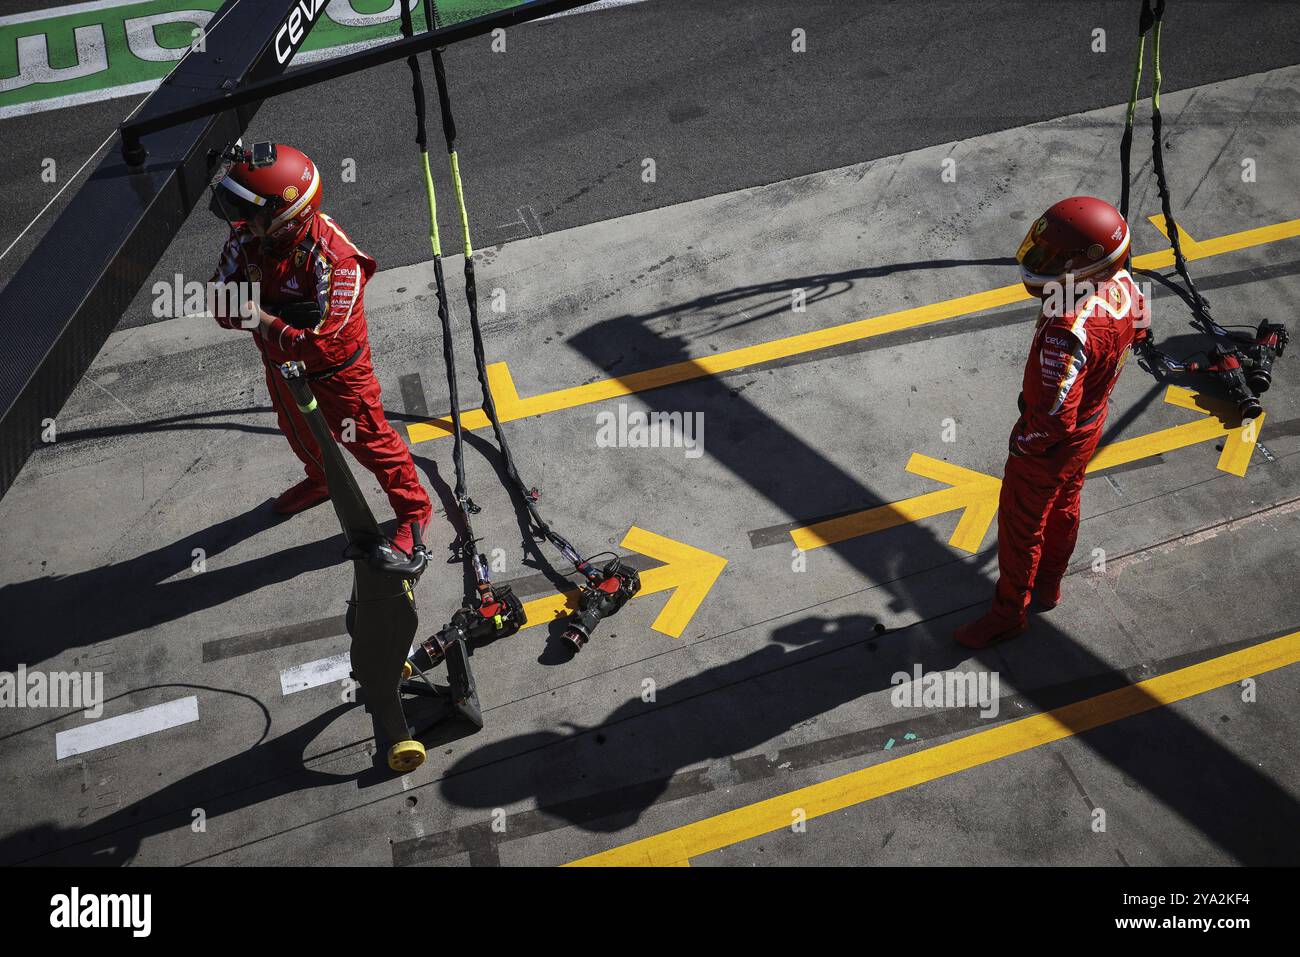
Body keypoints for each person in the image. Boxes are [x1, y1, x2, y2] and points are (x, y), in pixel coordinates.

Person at [208, 142, 432, 556]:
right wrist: (273, 325)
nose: (240, 221)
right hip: (281, 365)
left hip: (339, 375)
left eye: (251, 213)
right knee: (295, 428)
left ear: (284, 216)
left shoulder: (339, 260)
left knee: (371, 442)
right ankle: (322, 478)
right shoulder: (246, 238)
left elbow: (321, 345)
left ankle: (414, 511)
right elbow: (219, 305)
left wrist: (260, 318)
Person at [955, 196, 1146, 649]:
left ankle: (1008, 614)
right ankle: (1049, 588)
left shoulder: (1067, 328)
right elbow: (1138, 329)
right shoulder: (1128, 285)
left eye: (1055, 258)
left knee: (1022, 528)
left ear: (1085, 264)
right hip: (1092, 426)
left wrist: (1023, 442)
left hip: (1052, 445)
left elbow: (1055, 416)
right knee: (1065, 507)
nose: (1043, 264)